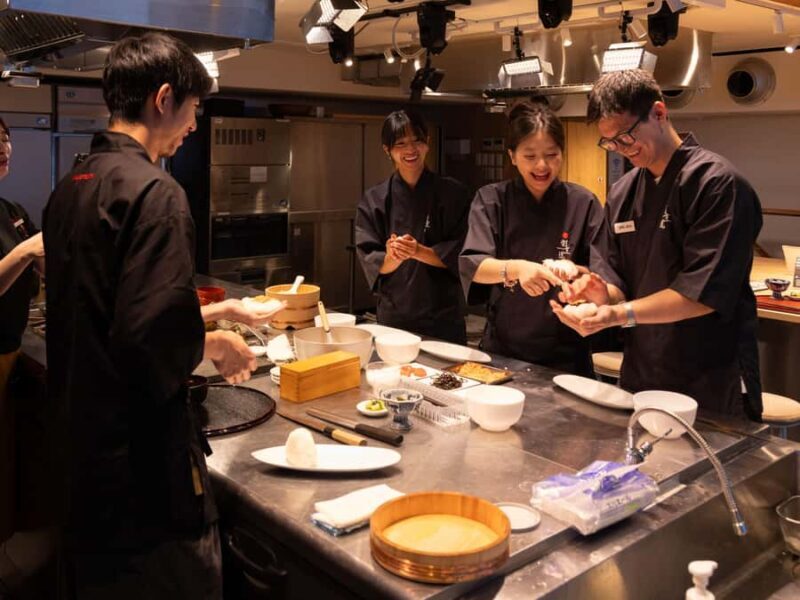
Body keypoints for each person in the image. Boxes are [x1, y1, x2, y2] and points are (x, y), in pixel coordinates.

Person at [43, 33, 279, 599]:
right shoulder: (157, 192)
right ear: (165, 97)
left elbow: (109, 313)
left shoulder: (71, 186)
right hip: (142, 482)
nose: (195, 124)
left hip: (80, 465)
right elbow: (149, 340)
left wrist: (214, 313)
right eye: (194, 108)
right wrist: (215, 345)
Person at [552, 69, 762, 420]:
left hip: (710, 376)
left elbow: (702, 293)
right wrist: (600, 297)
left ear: (660, 114)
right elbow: (617, 278)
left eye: (626, 136)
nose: (620, 149)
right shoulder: (623, 191)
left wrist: (617, 314)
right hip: (643, 371)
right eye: (610, 142)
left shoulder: (717, 184)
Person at [459, 102, 607, 375]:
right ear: (512, 156)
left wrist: (578, 271)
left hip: (567, 354)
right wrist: (518, 268)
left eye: (551, 154)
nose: (542, 165)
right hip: (504, 350)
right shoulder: (492, 200)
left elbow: (603, 273)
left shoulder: (583, 203)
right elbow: (473, 265)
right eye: (530, 156)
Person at [355, 110, 471, 344]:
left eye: (417, 140)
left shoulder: (454, 194)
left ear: (427, 143)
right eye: (400, 144)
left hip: (444, 318)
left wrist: (418, 251)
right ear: (387, 150)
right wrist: (393, 256)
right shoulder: (375, 200)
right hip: (395, 318)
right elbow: (373, 262)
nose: (410, 150)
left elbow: (464, 254)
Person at [0, 116, 45, 545]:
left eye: (6, 137)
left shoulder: (11, 211)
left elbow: (43, 266)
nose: (3, 146)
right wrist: (27, 249)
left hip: (10, 350)